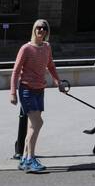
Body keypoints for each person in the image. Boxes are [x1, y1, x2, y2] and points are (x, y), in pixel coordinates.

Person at [10, 19, 62, 174]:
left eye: (44, 28)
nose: (41, 30)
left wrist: (58, 82)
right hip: (26, 90)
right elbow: (15, 71)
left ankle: (25, 159)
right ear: (34, 30)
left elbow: (50, 65)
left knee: (32, 126)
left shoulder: (47, 47)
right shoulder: (25, 48)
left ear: (47, 32)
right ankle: (31, 158)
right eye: (38, 28)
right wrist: (13, 92)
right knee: (38, 123)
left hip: (40, 90)